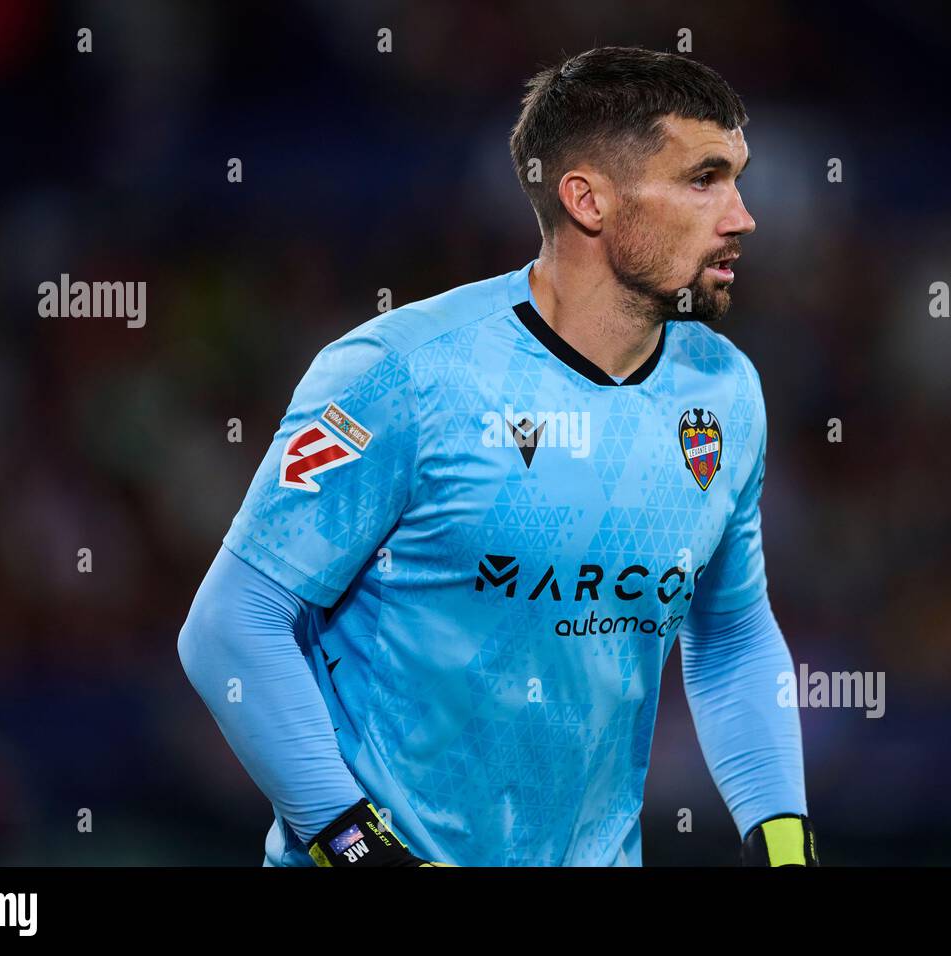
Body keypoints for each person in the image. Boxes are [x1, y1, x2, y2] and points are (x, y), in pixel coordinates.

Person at [178, 45, 817, 867]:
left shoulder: (724, 389)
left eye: (737, 177)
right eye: (704, 179)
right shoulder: (403, 374)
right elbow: (233, 626)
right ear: (587, 199)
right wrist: (357, 848)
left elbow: (730, 634)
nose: (741, 215)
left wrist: (786, 846)